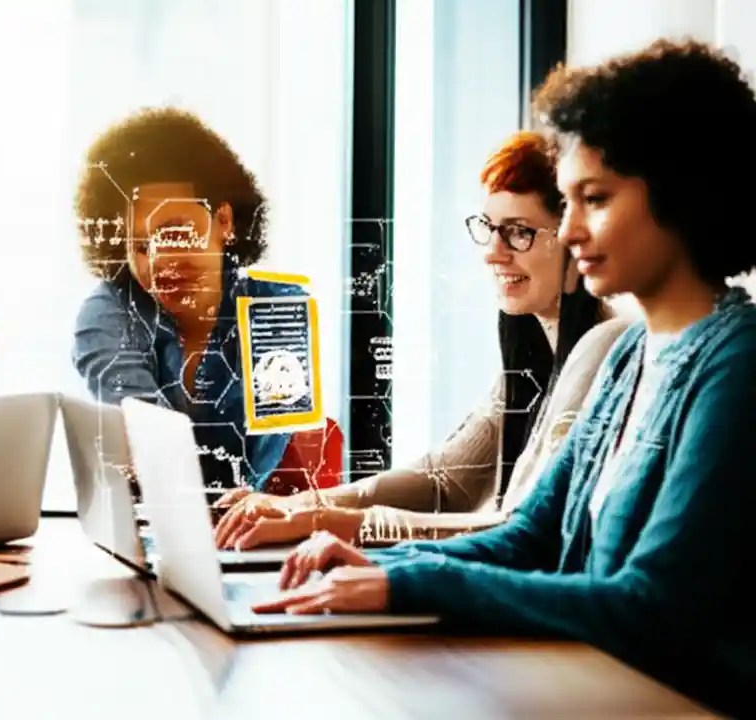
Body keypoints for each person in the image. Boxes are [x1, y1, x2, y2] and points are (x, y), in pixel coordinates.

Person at [254, 39, 756, 717]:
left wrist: (407, 588)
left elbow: (651, 606)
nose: (571, 230)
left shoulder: (738, 363)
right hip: (590, 685)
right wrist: (374, 564)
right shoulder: (629, 356)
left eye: (595, 199)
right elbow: (528, 536)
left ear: (682, 191)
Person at [214, 131, 630, 549]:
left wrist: (327, 521)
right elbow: (443, 478)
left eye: (518, 232)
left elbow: (519, 529)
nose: (492, 252)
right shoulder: (534, 352)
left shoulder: (605, 346)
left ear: (574, 237)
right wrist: (299, 505)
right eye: (489, 228)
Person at [71, 107, 303, 490]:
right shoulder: (109, 311)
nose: (160, 262)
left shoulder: (278, 309)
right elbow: (146, 443)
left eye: (175, 233)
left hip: (258, 529)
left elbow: (272, 465)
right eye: (141, 247)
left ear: (224, 222)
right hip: (156, 528)